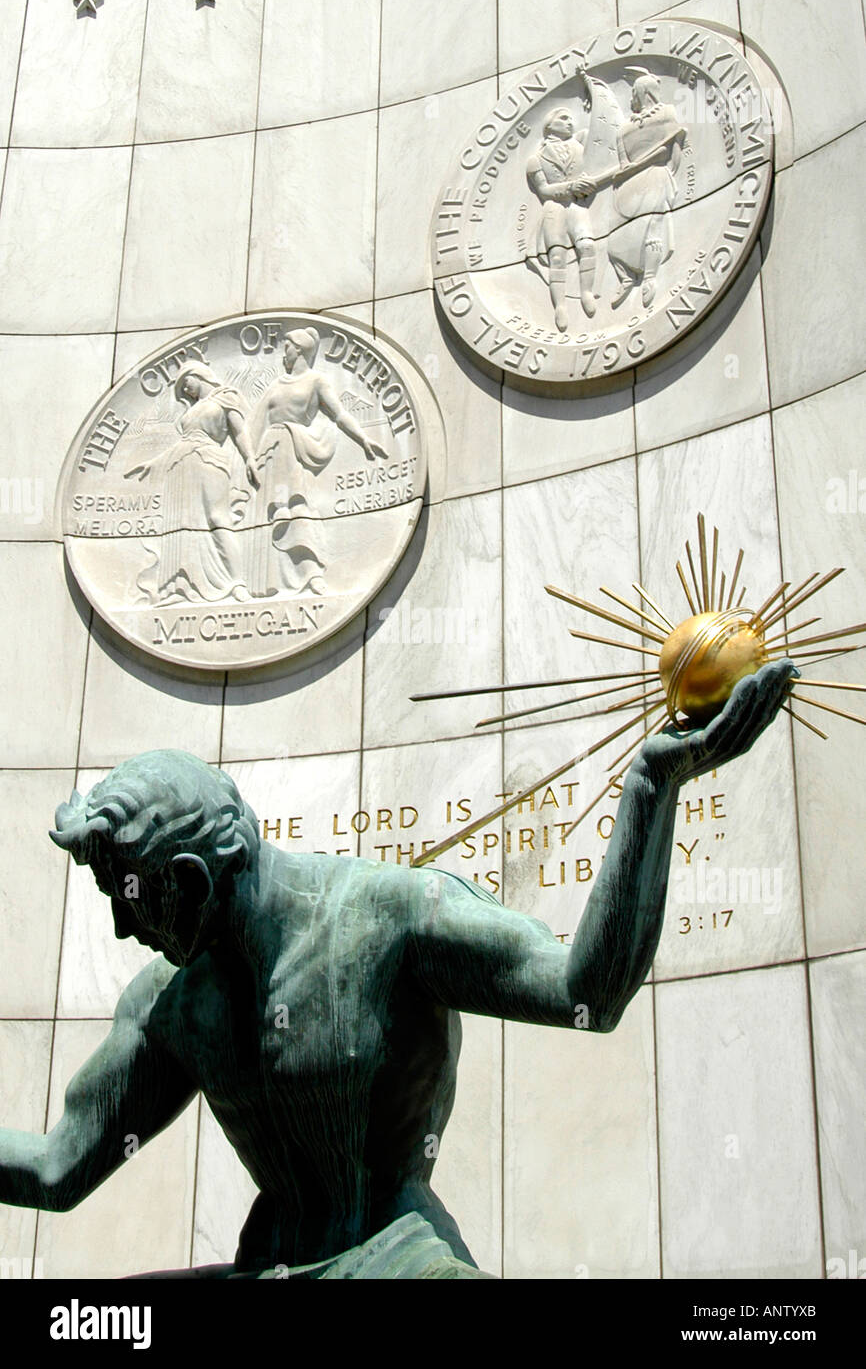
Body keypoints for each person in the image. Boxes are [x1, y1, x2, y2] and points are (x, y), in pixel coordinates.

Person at [0, 661, 795, 1278]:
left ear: (191, 881)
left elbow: (587, 993)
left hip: (402, 1264)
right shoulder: (170, 1007)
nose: (118, 925)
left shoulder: (394, 917)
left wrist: (654, 787)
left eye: (127, 897)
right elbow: (58, 1167)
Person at [245, 328, 389, 597]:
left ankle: (311, 575)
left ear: (298, 348)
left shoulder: (316, 381)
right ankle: (273, 583)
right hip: (269, 452)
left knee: (298, 507)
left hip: (294, 448)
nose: (283, 353)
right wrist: (249, 458)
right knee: (271, 512)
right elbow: (254, 424)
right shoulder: (275, 385)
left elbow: (340, 414)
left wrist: (363, 439)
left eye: (286, 347)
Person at [127, 363, 260, 605]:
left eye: (185, 381)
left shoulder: (226, 396)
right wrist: (154, 463)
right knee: (182, 522)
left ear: (199, 374)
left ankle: (237, 583)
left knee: (219, 519)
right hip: (182, 466)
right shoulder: (193, 408)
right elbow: (184, 442)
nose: (185, 389)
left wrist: (250, 458)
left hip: (209, 459)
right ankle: (180, 587)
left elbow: (240, 432)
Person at [605, 69, 686, 309]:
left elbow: (675, 149)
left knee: (652, 227)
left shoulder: (667, 113)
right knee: (614, 239)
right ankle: (626, 277)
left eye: (635, 93)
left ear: (644, 92)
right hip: (629, 186)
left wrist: (667, 173)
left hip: (656, 177)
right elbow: (623, 163)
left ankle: (650, 277)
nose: (632, 98)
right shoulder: (624, 129)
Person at [526, 106, 598, 331]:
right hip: (554, 207)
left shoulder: (580, 144)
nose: (570, 122)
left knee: (587, 246)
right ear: (549, 125)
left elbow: (601, 133)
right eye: (564, 118)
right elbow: (544, 190)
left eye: (571, 118)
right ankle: (560, 306)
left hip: (577, 205)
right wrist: (570, 186)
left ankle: (587, 292)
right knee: (557, 257)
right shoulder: (535, 160)